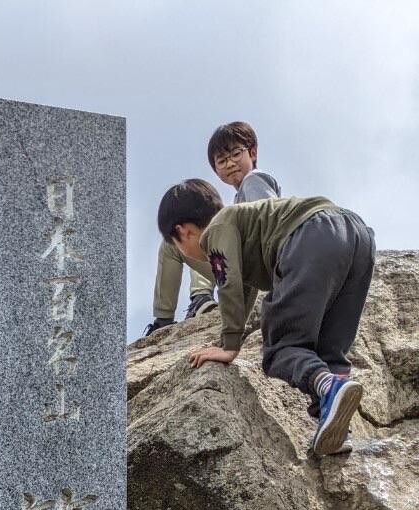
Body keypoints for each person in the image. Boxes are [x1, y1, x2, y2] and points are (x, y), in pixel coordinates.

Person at [157, 179, 375, 457]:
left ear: (183, 231)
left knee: (281, 347)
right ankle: (335, 424)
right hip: (357, 235)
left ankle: (331, 387)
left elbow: (228, 283)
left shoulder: (217, 229)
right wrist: (234, 335)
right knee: (328, 348)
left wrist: (229, 345)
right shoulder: (242, 224)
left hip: (310, 235)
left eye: (176, 245)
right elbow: (244, 289)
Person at [143, 121, 280, 337]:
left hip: (257, 269)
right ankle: (197, 300)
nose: (230, 163)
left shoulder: (253, 180)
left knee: (190, 239)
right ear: (216, 170)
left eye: (236, 154)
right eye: (222, 161)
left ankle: (173, 314)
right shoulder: (239, 196)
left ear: (252, 152)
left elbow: (269, 217)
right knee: (189, 237)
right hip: (244, 267)